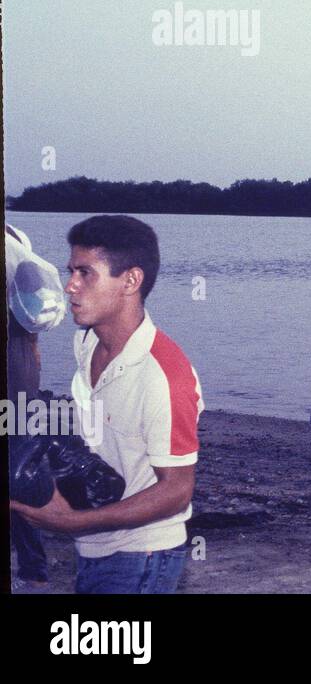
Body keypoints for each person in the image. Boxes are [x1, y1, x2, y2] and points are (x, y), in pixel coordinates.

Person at [10, 216, 203, 594]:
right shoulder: (87, 343)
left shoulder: (165, 376)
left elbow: (178, 490)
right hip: (97, 547)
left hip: (142, 557)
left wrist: (71, 523)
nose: (69, 286)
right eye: (70, 271)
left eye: (85, 273)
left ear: (131, 281)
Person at [6, 224, 68, 584]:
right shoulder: (18, 238)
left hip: (17, 360)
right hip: (23, 364)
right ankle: (35, 570)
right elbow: (33, 311)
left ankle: (34, 569)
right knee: (20, 466)